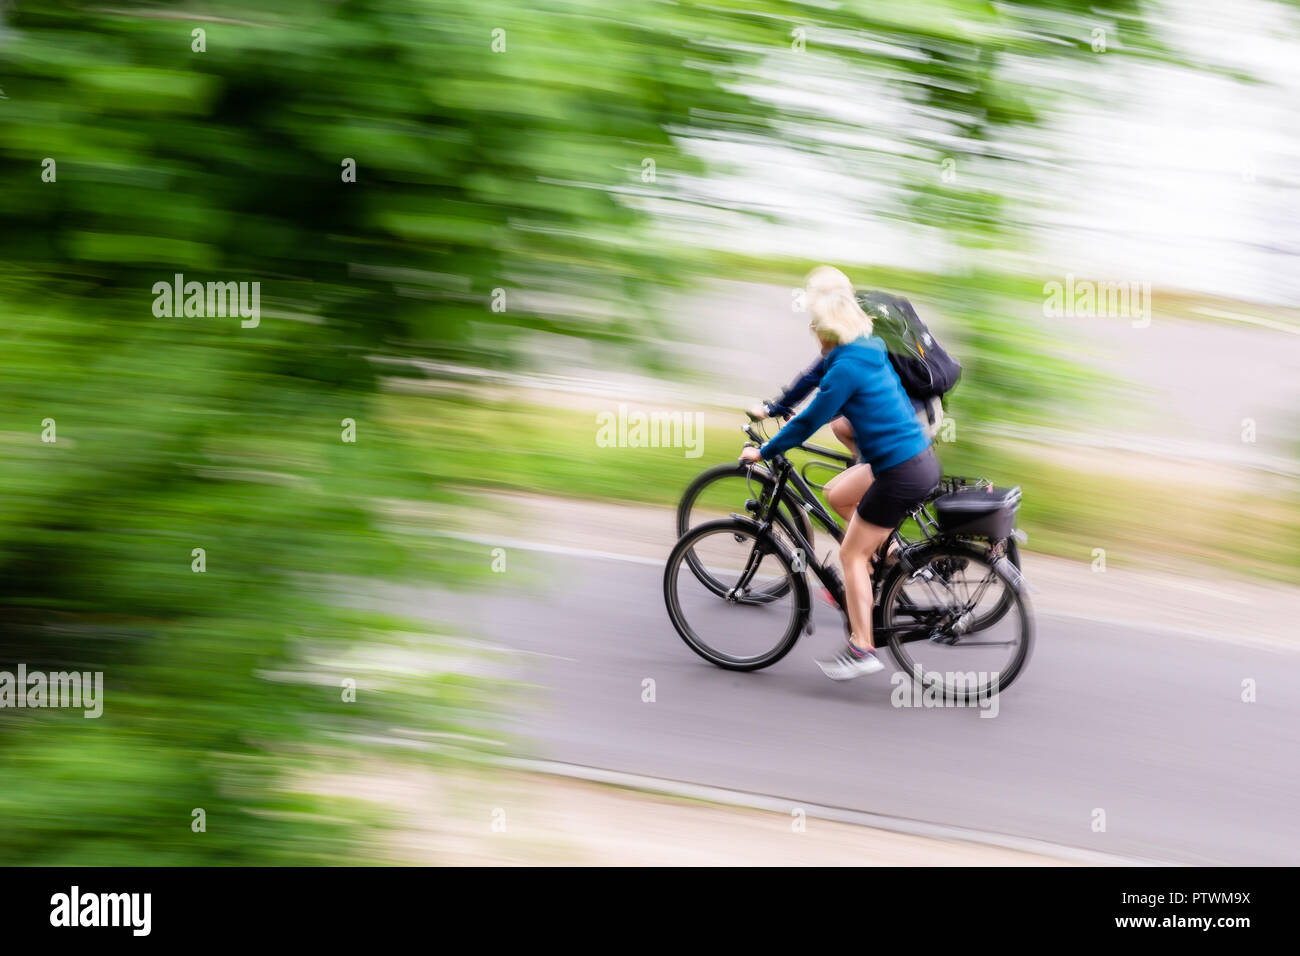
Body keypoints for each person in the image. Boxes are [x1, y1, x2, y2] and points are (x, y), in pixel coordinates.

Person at [740, 287, 941, 679]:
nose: (812, 329)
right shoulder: (868, 347)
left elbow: (807, 422)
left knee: (850, 555)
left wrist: (763, 452)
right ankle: (884, 559)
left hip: (899, 470)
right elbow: (816, 391)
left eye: (815, 323)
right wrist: (781, 407)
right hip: (910, 459)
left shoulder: (845, 369)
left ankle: (862, 647)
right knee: (837, 494)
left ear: (828, 330)